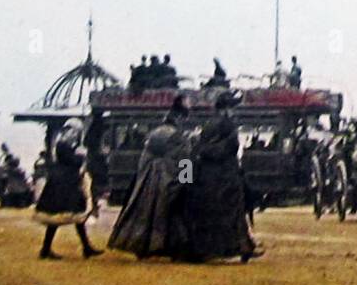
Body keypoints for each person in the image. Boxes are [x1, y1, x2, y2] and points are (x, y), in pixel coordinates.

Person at [109, 96, 193, 259]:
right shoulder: (179, 136)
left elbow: (145, 158)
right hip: (167, 179)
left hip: (147, 179)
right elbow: (185, 161)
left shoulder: (155, 133)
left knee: (144, 213)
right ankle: (173, 248)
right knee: (174, 213)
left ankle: (143, 246)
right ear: (181, 117)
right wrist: (186, 183)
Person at [184, 93, 259, 262]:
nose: (234, 111)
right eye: (232, 108)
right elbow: (230, 148)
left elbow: (193, 153)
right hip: (225, 176)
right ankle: (241, 247)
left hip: (205, 176)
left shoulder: (207, 125)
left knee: (209, 215)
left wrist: (186, 180)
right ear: (225, 109)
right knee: (234, 213)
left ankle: (210, 250)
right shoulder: (227, 125)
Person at [33, 120, 102, 260]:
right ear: (68, 130)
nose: (75, 135)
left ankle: (84, 247)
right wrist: (80, 155)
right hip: (63, 184)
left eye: (77, 133)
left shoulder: (67, 145)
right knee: (59, 217)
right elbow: (73, 162)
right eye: (74, 132)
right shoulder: (62, 145)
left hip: (66, 183)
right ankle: (48, 249)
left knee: (74, 216)